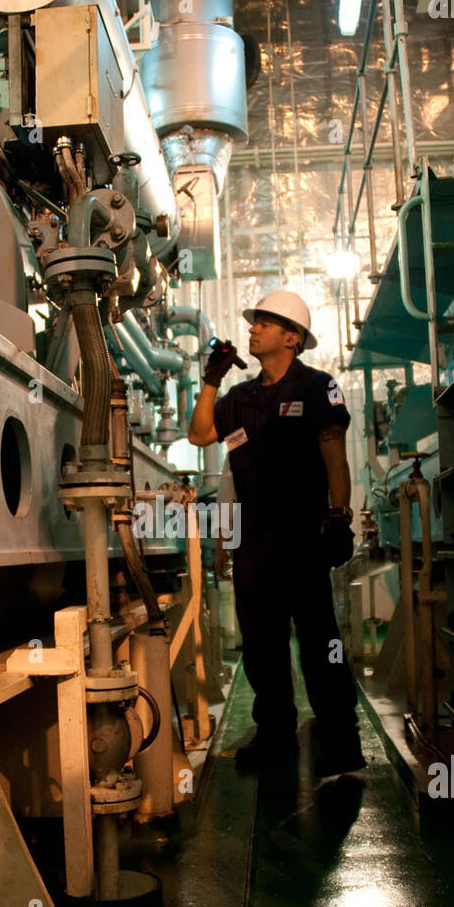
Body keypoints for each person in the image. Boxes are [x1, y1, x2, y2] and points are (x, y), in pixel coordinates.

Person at [188, 290, 366, 779]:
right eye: (254, 323)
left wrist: (339, 516)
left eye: (264, 323)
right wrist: (212, 378)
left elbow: (335, 456)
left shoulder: (319, 387)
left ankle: (341, 739)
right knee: (263, 649)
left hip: (303, 538)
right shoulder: (240, 398)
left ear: (291, 338)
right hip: (253, 546)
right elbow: (199, 433)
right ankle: (275, 738)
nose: (253, 328)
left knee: (319, 642)